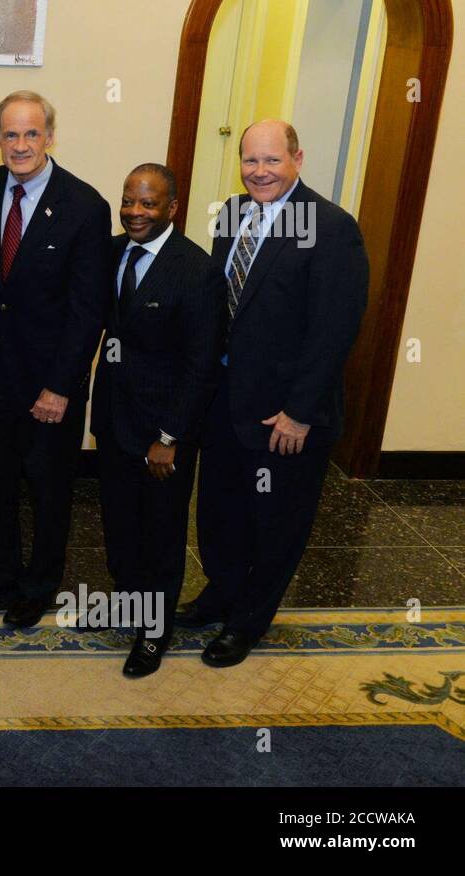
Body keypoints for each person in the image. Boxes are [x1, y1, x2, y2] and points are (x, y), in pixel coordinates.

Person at [181, 120, 369, 666]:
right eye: (249, 161)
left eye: (271, 160)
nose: (259, 172)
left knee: (276, 522)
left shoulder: (331, 228)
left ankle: (247, 622)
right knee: (219, 511)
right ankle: (220, 593)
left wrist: (300, 412)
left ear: (297, 158)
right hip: (225, 402)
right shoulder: (233, 213)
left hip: (284, 414)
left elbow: (334, 331)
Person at [0, 91, 112, 627]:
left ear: (50, 136)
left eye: (31, 133)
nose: (20, 144)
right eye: (10, 134)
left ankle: (40, 583)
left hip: (50, 384)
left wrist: (61, 385)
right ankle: (0, 572)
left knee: (49, 492)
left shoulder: (84, 206)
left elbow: (87, 309)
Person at [90, 164, 224, 677]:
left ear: (172, 208)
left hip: (162, 433)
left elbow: (202, 365)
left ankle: (154, 632)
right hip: (112, 421)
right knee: (120, 526)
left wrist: (169, 437)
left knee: (161, 536)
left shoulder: (196, 271)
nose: (135, 212)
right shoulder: (111, 251)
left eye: (148, 204)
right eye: (128, 201)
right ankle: (127, 606)